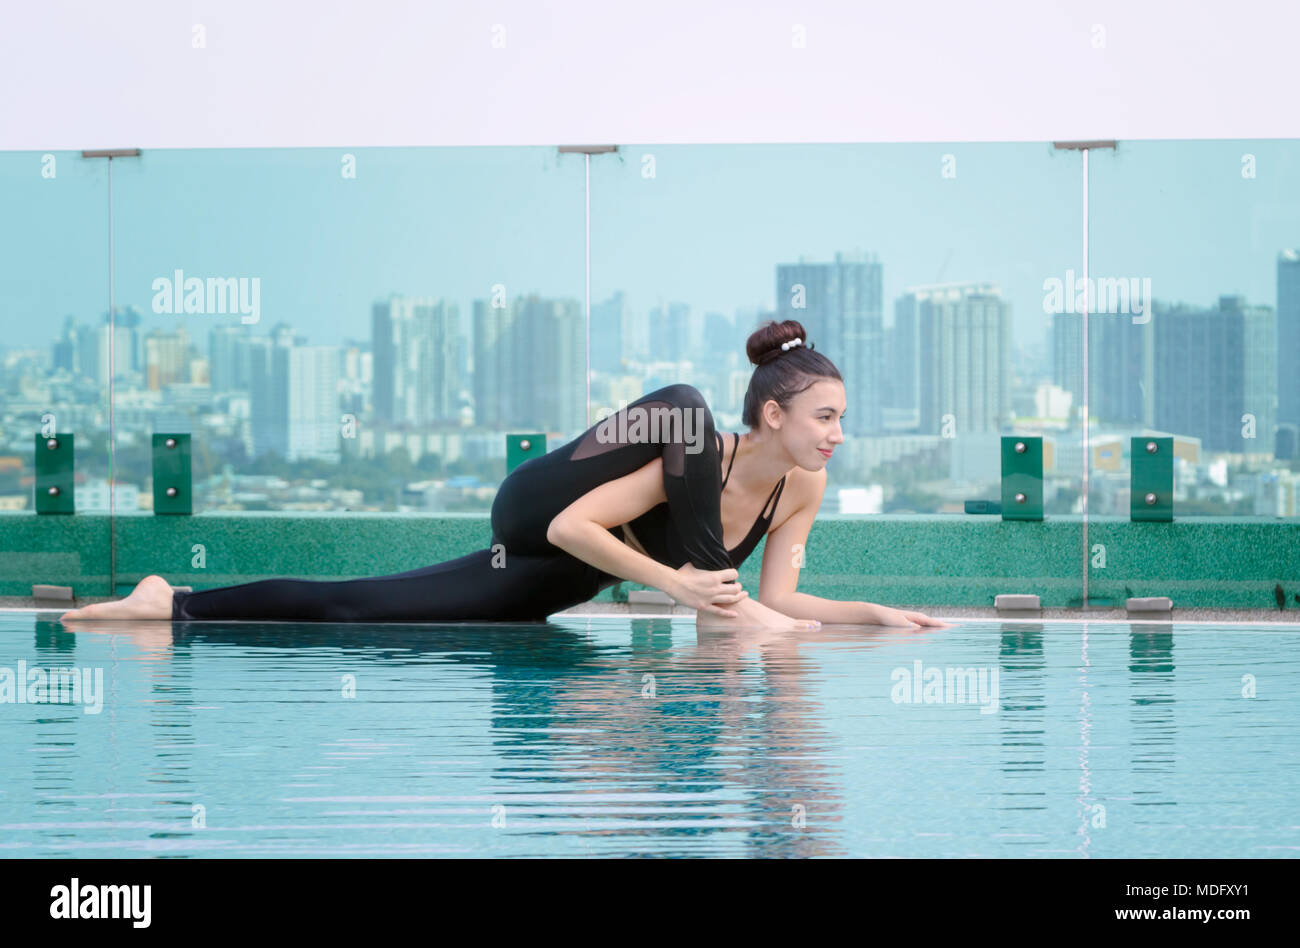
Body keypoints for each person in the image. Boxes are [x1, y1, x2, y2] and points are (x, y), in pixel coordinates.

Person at [60, 319, 940, 630]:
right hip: (538, 507)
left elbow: (782, 600)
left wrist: (877, 617)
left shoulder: (804, 485)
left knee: (356, 607)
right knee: (680, 403)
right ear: (774, 415)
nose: (839, 436)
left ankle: (169, 604)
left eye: (844, 420)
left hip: (558, 578)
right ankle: (716, 597)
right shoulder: (697, 445)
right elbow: (567, 525)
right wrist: (688, 587)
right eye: (827, 417)